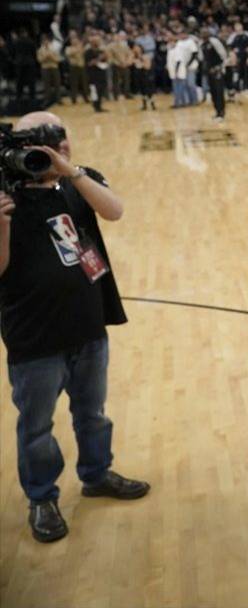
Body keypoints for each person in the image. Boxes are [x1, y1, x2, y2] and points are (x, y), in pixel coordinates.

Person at [0, 112, 148, 544]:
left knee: (92, 414)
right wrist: (2, 223)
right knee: (37, 428)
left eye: (60, 135)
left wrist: (70, 173)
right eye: (43, 138)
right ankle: (42, 497)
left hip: (88, 327)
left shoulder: (79, 183)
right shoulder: (7, 196)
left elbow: (114, 210)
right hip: (34, 337)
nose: (56, 143)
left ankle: (97, 474)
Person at [201, 28, 230, 121]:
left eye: (205, 32)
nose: (203, 34)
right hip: (209, 72)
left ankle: (221, 113)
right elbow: (202, 58)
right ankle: (217, 112)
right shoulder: (201, 44)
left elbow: (224, 55)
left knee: (219, 92)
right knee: (213, 92)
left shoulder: (214, 42)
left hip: (218, 70)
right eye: (202, 33)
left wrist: (220, 67)